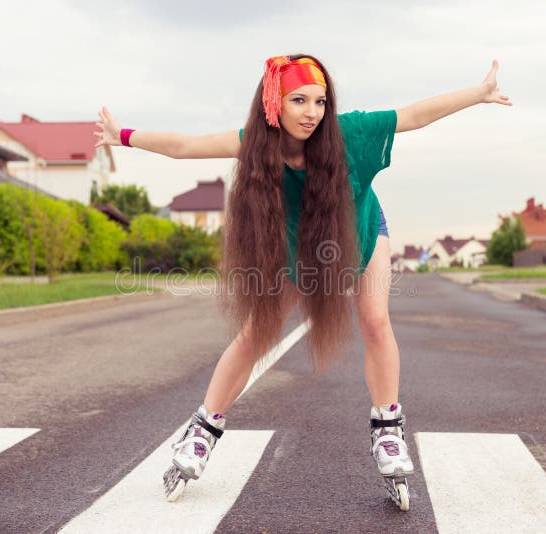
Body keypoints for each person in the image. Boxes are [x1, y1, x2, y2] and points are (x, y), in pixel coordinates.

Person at [93, 54, 511, 508]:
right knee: (257, 333)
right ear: (275, 103)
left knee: (375, 321)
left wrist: (478, 93)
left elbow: (413, 116)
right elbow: (187, 146)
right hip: (301, 246)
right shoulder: (257, 143)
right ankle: (202, 430)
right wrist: (124, 137)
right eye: (299, 101)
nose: (312, 112)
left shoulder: (349, 132)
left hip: (361, 230)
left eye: (319, 101)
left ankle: (388, 430)